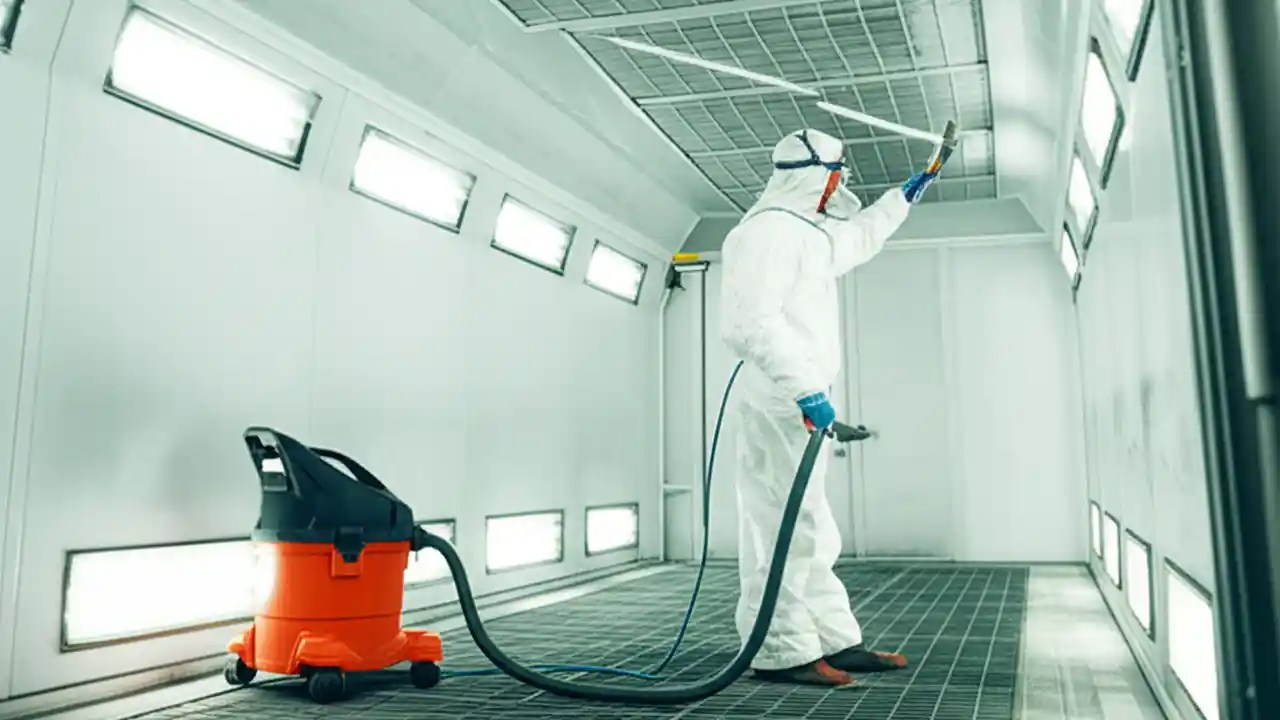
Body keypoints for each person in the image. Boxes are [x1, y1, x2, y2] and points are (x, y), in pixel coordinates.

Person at [719, 128, 936, 686]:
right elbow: (751, 322)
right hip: (778, 399)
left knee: (813, 527)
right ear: (815, 174)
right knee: (778, 527)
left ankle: (834, 642)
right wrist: (805, 390)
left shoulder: (805, 234)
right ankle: (782, 651)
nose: (841, 184)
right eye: (837, 174)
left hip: (801, 398)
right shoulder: (763, 234)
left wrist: (903, 198)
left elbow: (855, 240)